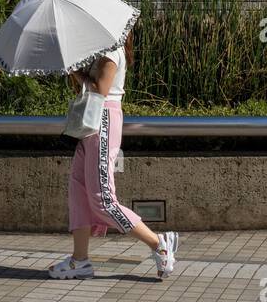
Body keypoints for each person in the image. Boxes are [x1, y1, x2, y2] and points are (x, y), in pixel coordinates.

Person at [49, 24, 179, 281]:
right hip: (91, 123)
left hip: (103, 119)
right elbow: (91, 88)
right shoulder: (101, 52)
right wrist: (76, 71)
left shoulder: (111, 52)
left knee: (102, 199)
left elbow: (101, 90)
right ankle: (80, 260)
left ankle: (158, 243)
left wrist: (77, 71)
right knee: (79, 190)